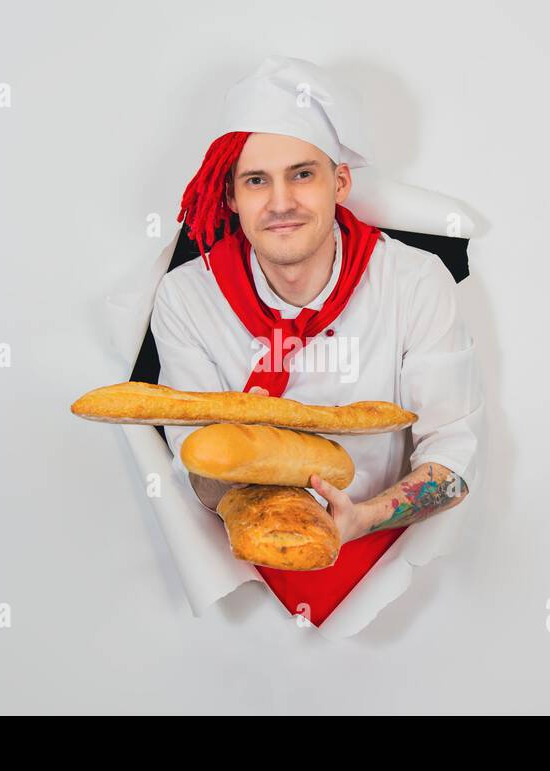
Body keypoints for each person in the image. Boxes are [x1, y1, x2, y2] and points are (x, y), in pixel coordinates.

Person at [152, 56, 481, 580]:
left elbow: (454, 455)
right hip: (237, 561)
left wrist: (364, 517)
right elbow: (196, 471)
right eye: (256, 181)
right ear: (232, 197)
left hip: (385, 555)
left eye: (301, 175)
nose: (281, 202)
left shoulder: (415, 282)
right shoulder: (187, 297)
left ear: (341, 182)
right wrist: (241, 448)